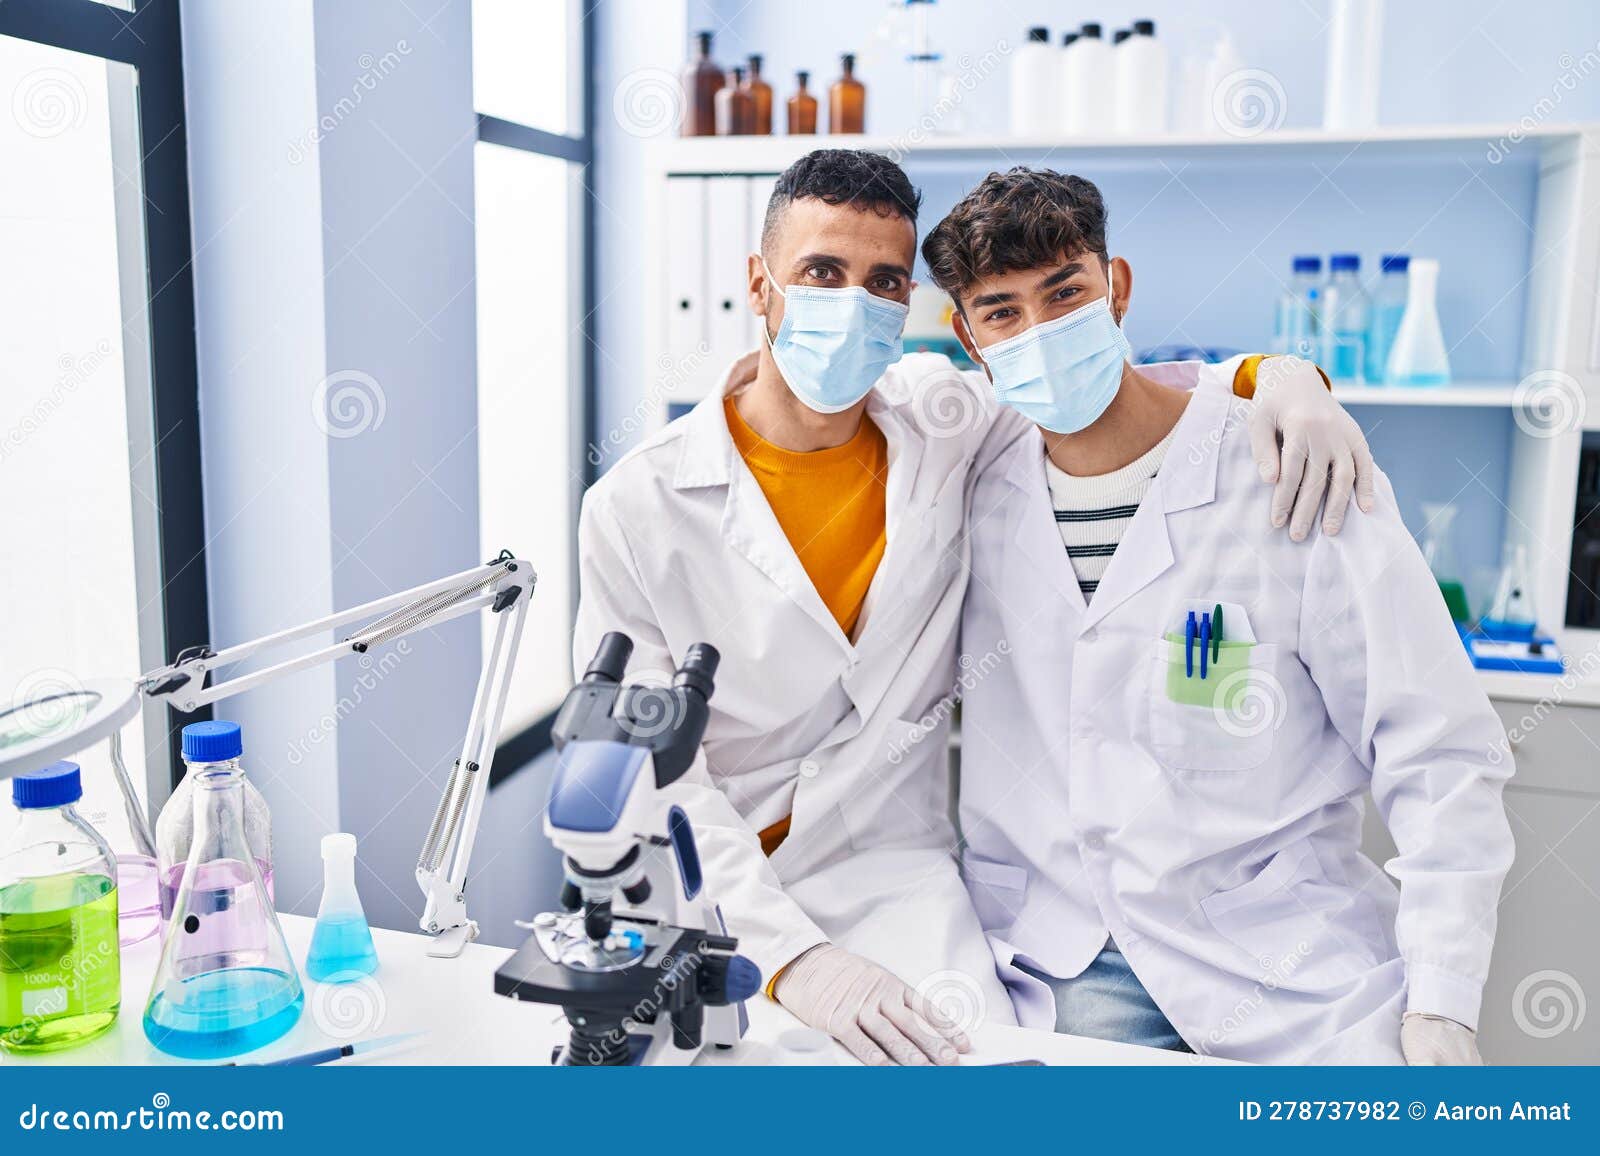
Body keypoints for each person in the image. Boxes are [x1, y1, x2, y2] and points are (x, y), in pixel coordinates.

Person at [574, 149, 1375, 1066]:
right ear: (760, 285)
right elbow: (647, 770)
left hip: (892, 878)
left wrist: (1276, 375)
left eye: (882, 282)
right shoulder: (637, 507)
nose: (852, 304)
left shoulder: (948, 421)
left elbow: (1120, 387)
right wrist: (792, 959)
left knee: (979, 1083)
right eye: (821, 274)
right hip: (704, 890)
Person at [924, 166, 1514, 1064]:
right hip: (1059, 958)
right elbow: (832, 398)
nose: (1039, 332)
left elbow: (1437, 748)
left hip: (1285, 958)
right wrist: (1271, 365)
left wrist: (1442, 999)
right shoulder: (968, 467)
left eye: (1065, 293)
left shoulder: (1289, 460)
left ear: (1115, 287)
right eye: (1001, 312)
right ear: (968, 337)